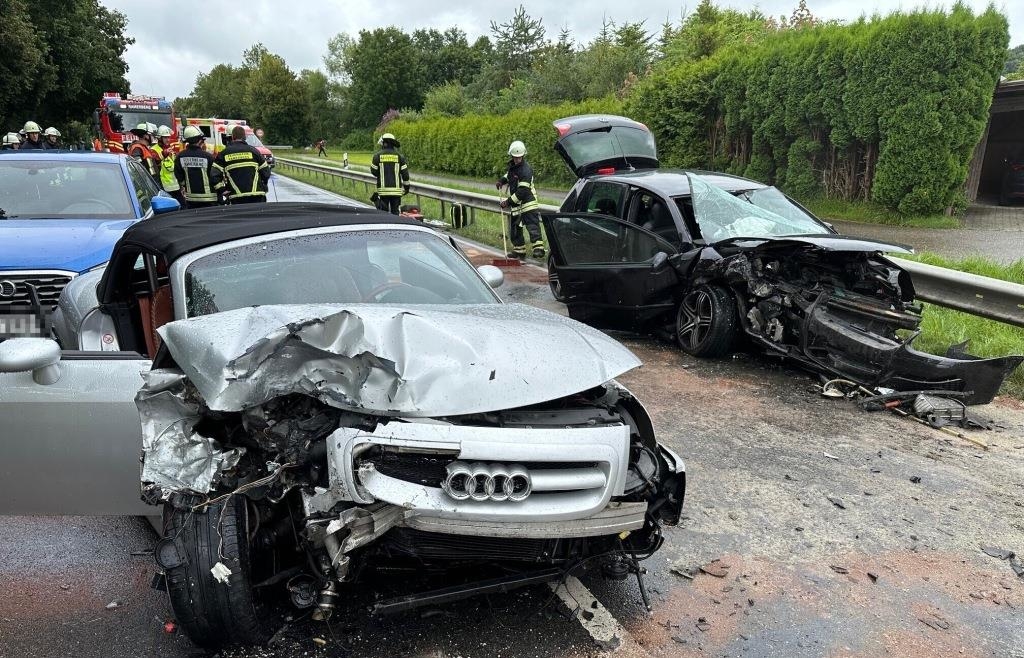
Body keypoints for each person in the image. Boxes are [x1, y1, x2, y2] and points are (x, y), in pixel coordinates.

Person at [497, 140, 544, 259]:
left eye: (519, 157)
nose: (517, 159)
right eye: (515, 157)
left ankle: (539, 249)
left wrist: (507, 202)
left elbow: (522, 191)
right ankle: (519, 251)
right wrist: (502, 181)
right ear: (511, 156)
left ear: (523, 155)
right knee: (515, 229)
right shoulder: (513, 167)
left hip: (528, 203)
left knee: (532, 226)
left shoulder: (526, 170)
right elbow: (509, 175)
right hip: (517, 205)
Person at [213, 124, 271, 204]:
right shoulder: (254, 151)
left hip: (236, 198)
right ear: (245, 137)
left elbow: (214, 175)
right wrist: (263, 186)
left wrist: (222, 190)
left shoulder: (223, 154)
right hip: (257, 196)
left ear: (232, 137)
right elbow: (266, 173)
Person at [174, 125, 222, 208]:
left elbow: (179, 176)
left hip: (191, 200)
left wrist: (186, 185)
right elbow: (215, 176)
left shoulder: (180, 157)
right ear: (199, 140)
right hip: (209, 199)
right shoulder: (208, 157)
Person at [370, 133, 409, 215]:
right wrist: (406, 188)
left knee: (383, 213)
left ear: (384, 143)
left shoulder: (377, 156)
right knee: (395, 213)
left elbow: (374, 172)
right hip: (396, 192)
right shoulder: (399, 157)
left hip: (383, 192)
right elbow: (405, 175)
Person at [153, 125, 183, 204]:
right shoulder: (154, 150)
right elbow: (155, 162)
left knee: (183, 206)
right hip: (164, 187)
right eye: (165, 137)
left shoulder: (170, 149)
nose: (168, 139)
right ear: (160, 138)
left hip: (176, 186)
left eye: (168, 137)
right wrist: (164, 154)